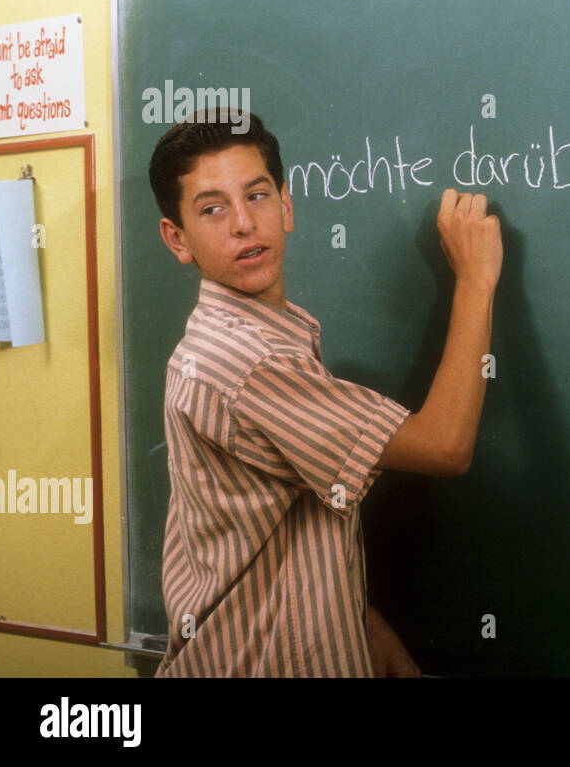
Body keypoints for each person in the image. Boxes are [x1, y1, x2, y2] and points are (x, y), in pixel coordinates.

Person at [147, 106, 502, 676]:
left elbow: (281, 523)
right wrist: (476, 279)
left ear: (285, 206)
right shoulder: (247, 360)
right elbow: (445, 446)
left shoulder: (257, 337)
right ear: (176, 238)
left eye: (256, 196)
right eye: (212, 208)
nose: (243, 223)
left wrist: (358, 619)